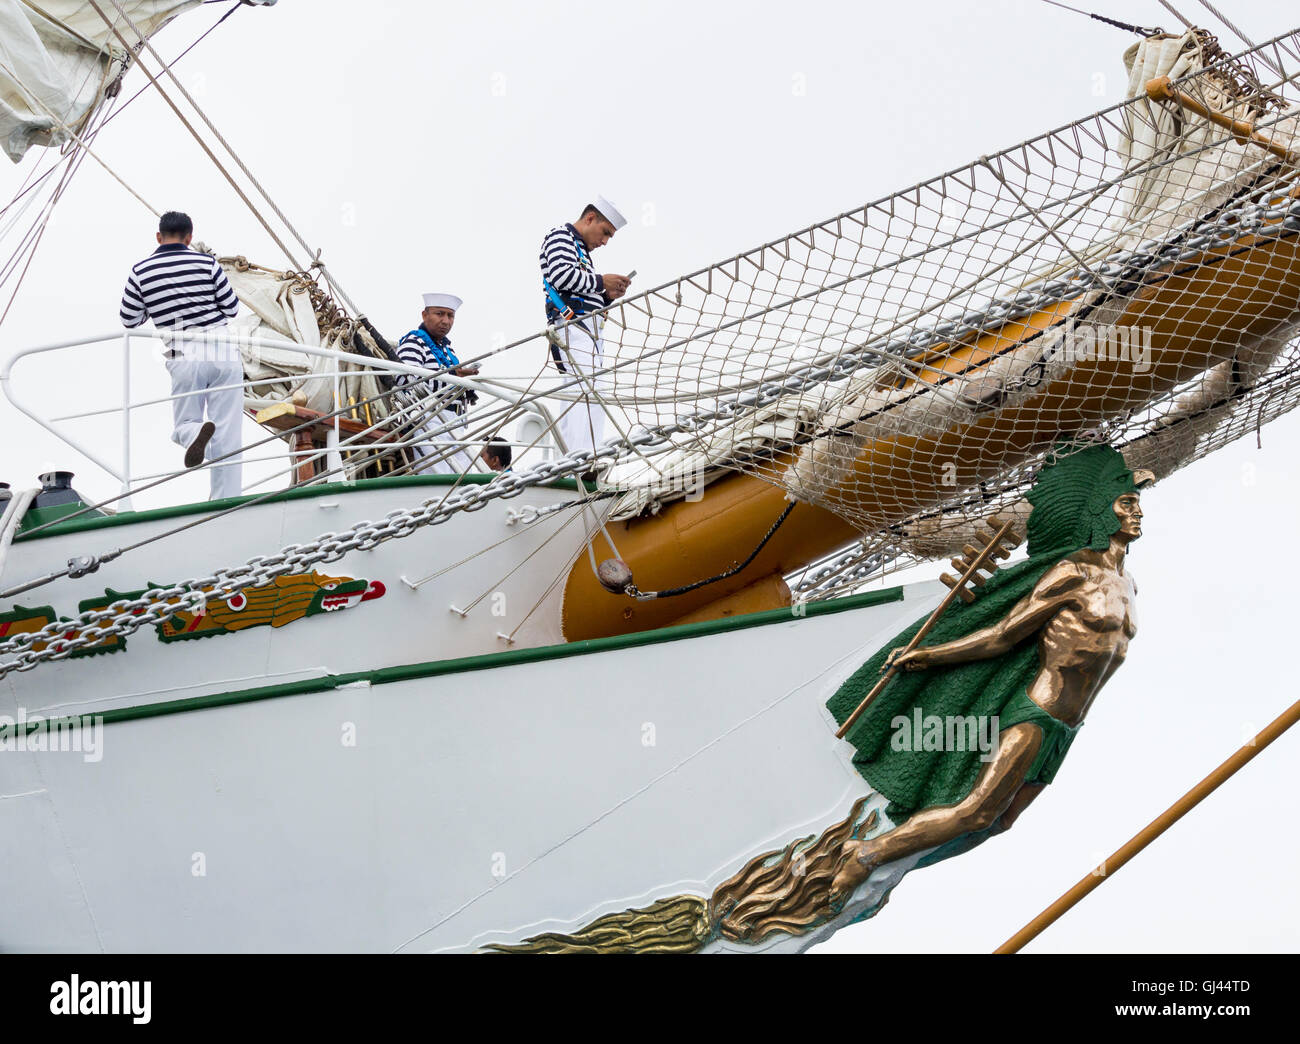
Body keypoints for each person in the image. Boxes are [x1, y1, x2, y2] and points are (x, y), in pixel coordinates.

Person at [119, 211, 242, 500]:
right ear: (189, 237)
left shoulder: (141, 271)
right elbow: (231, 309)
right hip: (221, 348)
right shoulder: (207, 263)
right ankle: (226, 500)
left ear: (159, 237)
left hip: (183, 350)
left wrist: (155, 307)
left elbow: (129, 319)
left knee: (185, 424)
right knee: (228, 432)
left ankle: (195, 436)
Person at [539, 196, 631, 456]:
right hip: (573, 326)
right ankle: (583, 457)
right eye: (605, 233)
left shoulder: (579, 248)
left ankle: (567, 459)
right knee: (587, 391)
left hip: (586, 328)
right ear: (590, 218)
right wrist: (602, 282)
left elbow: (578, 287)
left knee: (579, 392)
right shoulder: (561, 237)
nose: (604, 242)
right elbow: (562, 275)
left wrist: (605, 296)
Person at [394, 293, 480, 475]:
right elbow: (406, 381)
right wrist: (452, 377)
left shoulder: (449, 350)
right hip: (428, 419)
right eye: (439, 314)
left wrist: (463, 381)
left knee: (466, 474)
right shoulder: (414, 343)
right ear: (424, 315)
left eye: (450, 316)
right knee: (437, 473)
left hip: (454, 422)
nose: (445, 321)